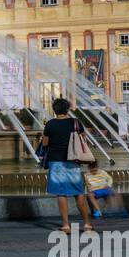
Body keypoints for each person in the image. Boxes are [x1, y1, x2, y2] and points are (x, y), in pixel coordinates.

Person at [41, 97, 93, 233]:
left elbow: (45, 143)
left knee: (61, 193)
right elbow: (83, 139)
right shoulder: (75, 122)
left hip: (56, 162)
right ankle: (87, 224)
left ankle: (66, 225)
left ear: (54, 110)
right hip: (72, 161)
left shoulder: (50, 124)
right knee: (78, 192)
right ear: (67, 109)